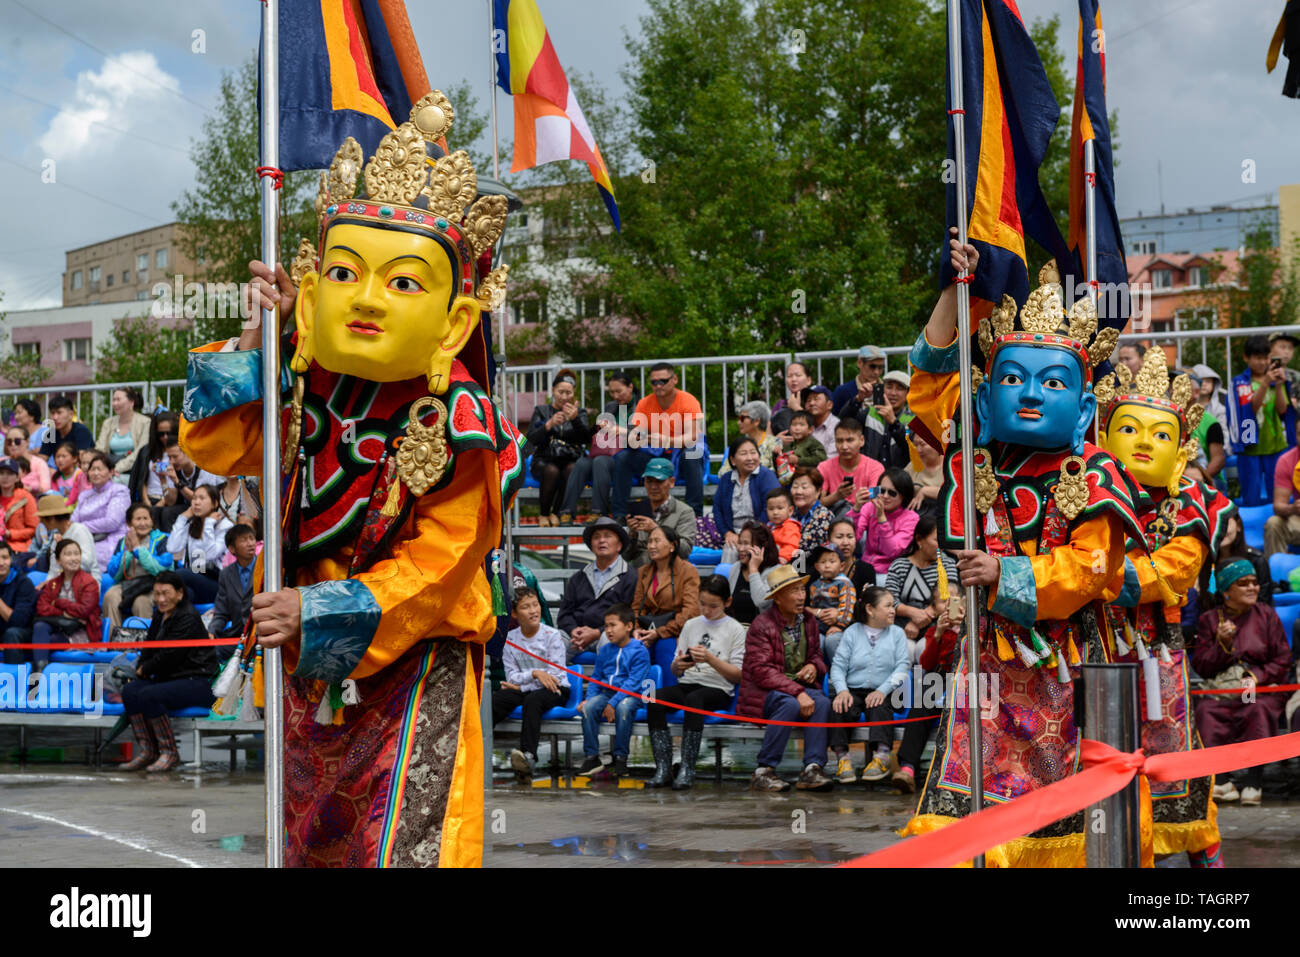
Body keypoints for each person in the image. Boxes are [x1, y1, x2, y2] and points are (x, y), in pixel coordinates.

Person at [182, 95, 524, 866]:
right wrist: (252, 341)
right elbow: (217, 445)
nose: (366, 299)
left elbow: (446, 562)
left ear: (455, 318)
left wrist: (320, 607)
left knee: (403, 850)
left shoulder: (456, 417)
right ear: (311, 283)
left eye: (403, 282)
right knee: (310, 850)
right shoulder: (302, 373)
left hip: (408, 663)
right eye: (344, 272)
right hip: (308, 669)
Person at [902, 234, 1146, 867]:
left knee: (1063, 826)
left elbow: (1093, 568)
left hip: (1065, 664)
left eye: (1053, 382)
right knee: (968, 818)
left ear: (1085, 404)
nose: (1031, 393)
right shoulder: (975, 452)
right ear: (985, 396)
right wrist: (955, 292)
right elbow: (927, 388)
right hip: (985, 663)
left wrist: (1007, 570)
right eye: (1011, 378)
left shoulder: (1096, 471)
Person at [1098, 350, 1236, 865]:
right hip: (1088, 649)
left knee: (1170, 757)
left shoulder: (1191, 501)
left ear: (1180, 450)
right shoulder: (1089, 491)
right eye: (1129, 429)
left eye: (1160, 435)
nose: (1142, 444)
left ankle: (1194, 854)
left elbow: (1172, 573)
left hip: (1155, 650)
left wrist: (1092, 577)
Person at [1192, 561, 1292, 807]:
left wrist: (1257, 676)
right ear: (1227, 590)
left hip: (1257, 684)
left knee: (1255, 708)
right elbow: (1203, 665)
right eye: (1243, 584)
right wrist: (1222, 644)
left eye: (1255, 583)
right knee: (1207, 711)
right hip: (1222, 688)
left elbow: (1282, 659)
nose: (1252, 588)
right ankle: (1222, 779)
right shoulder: (1209, 620)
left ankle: (1253, 781)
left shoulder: (1266, 615)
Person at [646, 574, 746, 789]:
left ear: (727, 603)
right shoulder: (691, 625)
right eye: (702, 604)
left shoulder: (736, 629)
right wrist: (679, 665)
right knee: (654, 699)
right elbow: (675, 668)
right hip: (689, 682)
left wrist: (710, 658)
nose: (706, 611)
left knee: (694, 699)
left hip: (718, 687)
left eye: (713, 606)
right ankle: (663, 767)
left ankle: (687, 767)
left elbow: (737, 675)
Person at [739, 564, 833, 792]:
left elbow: (817, 656)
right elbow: (761, 672)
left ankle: (812, 768)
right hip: (764, 693)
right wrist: (798, 692)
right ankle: (764, 771)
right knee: (788, 704)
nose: (801, 597)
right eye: (794, 592)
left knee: (821, 702)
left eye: (802, 590)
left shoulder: (808, 621)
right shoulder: (761, 626)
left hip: (797, 687)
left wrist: (813, 666)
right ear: (778, 598)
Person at [117, 571, 216, 772]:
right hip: (170, 677)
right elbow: (149, 646)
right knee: (130, 691)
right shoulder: (160, 614)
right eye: (157, 594)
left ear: (180, 593)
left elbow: (171, 655)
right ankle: (148, 750)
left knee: (149, 695)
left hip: (197, 680)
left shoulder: (187, 616)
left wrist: (145, 668)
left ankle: (169, 752)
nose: (161, 599)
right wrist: (140, 668)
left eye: (166, 593)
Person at [828, 587, 909, 785]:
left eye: (893, 606)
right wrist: (842, 691)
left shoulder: (897, 633)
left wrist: (883, 690)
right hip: (854, 689)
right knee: (839, 707)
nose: (893, 610)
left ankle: (881, 757)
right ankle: (843, 759)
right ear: (870, 609)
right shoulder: (851, 633)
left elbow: (902, 666)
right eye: (888, 606)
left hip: (886, 690)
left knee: (880, 707)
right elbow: (838, 667)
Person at [495, 587, 570, 780]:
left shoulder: (552, 636)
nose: (533, 611)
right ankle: (475, 749)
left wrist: (523, 686)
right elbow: (511, 676)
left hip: (557, 689)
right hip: (528, 688)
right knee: (499, 698)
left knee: (533, 700)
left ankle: (528, 756)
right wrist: (535, 673)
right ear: (514, 613)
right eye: (526, 607)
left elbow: (554, 676)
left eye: (535, 605)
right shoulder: (511, 639)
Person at [612, 362, 705, 517]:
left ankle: (695, 515)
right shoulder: (644, 403)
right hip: (656, 452)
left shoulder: (688, 400)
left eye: (663, 381)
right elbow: (637, 435)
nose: (658, 385)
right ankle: (619, 515)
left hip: (681, 452)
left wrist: (666, 440)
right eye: (654, 382)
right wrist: (623, 433)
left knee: (693, 453)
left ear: (674, 379)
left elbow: (693, 436)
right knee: (623, 457)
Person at [896, 595, 965, 793]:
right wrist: (939, 635)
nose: (949, 606)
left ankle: (957, 774)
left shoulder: (976, 627)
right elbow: (926, 663)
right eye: (943, 602)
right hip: (940, 676)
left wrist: (965, 629)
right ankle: (908, 767)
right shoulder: (935, 631)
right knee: (920, 705)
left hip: (967, 678)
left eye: (954, 600)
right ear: (935, 608)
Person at [578, 602, 650, 777]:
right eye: (606, 626)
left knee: (623, 707)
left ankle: (620, 757)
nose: (608, 631)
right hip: (608, 694)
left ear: (629, 626)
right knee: (588, 708)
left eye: (613, 625)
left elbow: (633, 683)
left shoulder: (640, 651)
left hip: (634, 695)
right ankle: (592, 756)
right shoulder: (604, 650)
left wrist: (612, 703)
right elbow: (595, 677)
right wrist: (590, 698)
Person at [1227, 334, 1295, 506]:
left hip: (1276, 446)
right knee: (1251, 498)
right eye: (1257, 358)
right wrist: (1265, 384)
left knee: (1278, 497)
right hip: (1250, 449)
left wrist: (1279, 385)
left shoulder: (1276, 379)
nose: (1263, 363)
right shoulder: (1239, 383)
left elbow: (1282, 411)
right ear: (1246, 358)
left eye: (1266, 358)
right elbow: (1251, 410)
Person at [556, 516, 637, 661]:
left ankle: (607, 683)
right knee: (552, 642)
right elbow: (564, 615)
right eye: (596, 537)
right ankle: (551, 683)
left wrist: (597, 632)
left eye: (608, 536)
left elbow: (630, 616)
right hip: (577, 635)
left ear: (619, 545)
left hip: (608, 633)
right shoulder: (579, 577)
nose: (601, 541)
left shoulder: (630, 576)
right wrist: (574, 630)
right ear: (591, 545)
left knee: (609, 639)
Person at [560, 371, 637, 521]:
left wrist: (615, 430)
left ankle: (598, 511)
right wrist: (578, 420)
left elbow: (639, 437)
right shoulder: (611, 406)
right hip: (605, 451)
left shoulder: (639, 406)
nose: (615, 396)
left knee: (600, 461)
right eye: (612, 392)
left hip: (626, 455)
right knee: (582, 463)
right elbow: (590, 436)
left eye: (619, 391)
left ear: (630, 387)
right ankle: (567, 511)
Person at [525, 368, 591, 526]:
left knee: (571, 469)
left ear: (573, 393)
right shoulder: (541, 411)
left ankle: (557, 513)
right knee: (552, 470)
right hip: (544, 459)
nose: (564, 396)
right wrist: (549, 425)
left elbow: (586, 439)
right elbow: (531, 439)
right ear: (553, 391)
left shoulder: (579, 413)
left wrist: (575, 420)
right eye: (560, 392)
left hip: (570, 458)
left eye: (568, 393)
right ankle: (544, 514)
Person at [885, 514, 957, 641]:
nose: (941, 545)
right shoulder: (899, 565)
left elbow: (951, 599)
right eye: (936, 540)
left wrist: (924, 616)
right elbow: (889, 600)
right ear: (919, 539)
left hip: (938, 626)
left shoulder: (947, 564)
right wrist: (912, 613)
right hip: (903, 626)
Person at [30, 538, 100, 669]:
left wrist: (58, 602)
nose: (74, 558)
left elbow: (83, 611)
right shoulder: (53, 583)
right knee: (40, 626)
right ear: (58, 560)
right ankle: (39, 674)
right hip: (57, 627)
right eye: (68, 554)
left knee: (40, 643)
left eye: (76, 553)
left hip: (80, 632)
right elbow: (41, 608)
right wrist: (63, 613)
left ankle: (37, 676)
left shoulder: (90, 582)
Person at [630, 524, 700, 651]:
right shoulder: (643, 571)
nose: (651, 546)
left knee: (665, 645)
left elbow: (691, 612)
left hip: (676, 631)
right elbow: (637, 607)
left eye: (657, 541)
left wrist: (660, 632)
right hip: (648, 630)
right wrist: (636, 629)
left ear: (672, 546)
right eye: (649, 541)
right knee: (634, 646)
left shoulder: (688, 571)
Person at [104, 503, 172, 628]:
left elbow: (161, 569)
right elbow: (114, 573)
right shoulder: (123, 542)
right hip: (128, 584)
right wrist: (128, 553)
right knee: (110, 596)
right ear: (130, 524)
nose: (142, 523)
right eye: (138, 519)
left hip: (153, 585)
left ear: (152, 521)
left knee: (141, 602)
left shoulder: (162, 540)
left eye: (146, 518)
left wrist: (137, 549)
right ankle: (113, 642)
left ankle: (142, 644)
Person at [165, 484, 232, 605]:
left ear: (215, 503)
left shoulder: (225, 526)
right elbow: (172, 548)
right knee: (183, 596)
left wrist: (209, 524)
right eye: (194, 498)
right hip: (197, 577)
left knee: (180, 574)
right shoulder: (193, 525)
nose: (196, 502)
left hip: (218, 583)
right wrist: (182, 517)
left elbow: (211, 554)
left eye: (202, 498)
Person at [624, 457, 696, 567]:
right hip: (641, 574)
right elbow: (626, 556)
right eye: (649, 481)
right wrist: (632, 536)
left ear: (671, 482)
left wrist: (656, 530)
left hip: (671, 574)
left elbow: (684, 550)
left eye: (659, 481)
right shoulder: (639, 509)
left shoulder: (684, 512)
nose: (653, 487)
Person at [712, 435, 781, 548]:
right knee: (730, 549)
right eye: (744, 454)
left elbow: (769, 509)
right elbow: (717, 509)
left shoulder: (766, 476)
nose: (750, 458)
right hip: (733, 536)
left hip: (760, 534)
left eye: (753, 453)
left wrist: (749, 535)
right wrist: (727, 533)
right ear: (733, 460)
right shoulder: (726, 479)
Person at [72, 452, 130, 571]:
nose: (96, 473)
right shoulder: (85, 495)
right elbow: (73, 520)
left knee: (87, 557)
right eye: (92, 469)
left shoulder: (119, 491)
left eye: (100, 469)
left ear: (111, 472)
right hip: (84, 538)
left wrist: (81, 527)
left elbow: (112, 522)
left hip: (111, 538)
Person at [856, 468, 919, 577]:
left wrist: (881, 518)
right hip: (865, 566)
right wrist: (856, 509)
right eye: (882, 490)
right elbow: (854, 536)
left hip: (891, 571)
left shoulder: (911, 518)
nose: (885, 496)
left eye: (892, 493)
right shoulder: (870, 507)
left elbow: (892, 551)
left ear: (903, 495)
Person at [817, 418, 884, 520]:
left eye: (850, 440)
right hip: (834, 518)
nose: (844, 446)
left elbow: (874, 502)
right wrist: (837, 496)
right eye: (839, 441)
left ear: (861, 441)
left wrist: (857, 506)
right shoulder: (824, 467)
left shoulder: (875, 468)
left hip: (864, 519)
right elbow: (817, 503)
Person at [845, 369, 913, 469]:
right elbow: (844, 422)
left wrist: (894, 423)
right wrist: (858, 399)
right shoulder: (869, 413)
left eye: (899, 389)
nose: (893, 393)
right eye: (889, 387)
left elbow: (912, 448)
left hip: (899, 479)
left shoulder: (912, 419)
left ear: (908, 393)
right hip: (869, 475)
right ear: (882, 389)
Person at [157, 438, 222, 533]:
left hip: (208, 509)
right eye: (169, 457)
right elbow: (170, 502)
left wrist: (177, 482)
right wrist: (162, 479)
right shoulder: (176, 470)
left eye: (175, 457)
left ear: (187, 453)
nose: (171, 462)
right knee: (157, 511)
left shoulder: (204, 468)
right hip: (187, 507)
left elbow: (203, 501)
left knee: (168, 513)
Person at [208, 524, 257, 641]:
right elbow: (221, 612)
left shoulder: (265, 568)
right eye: (244, 540)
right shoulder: (226, 574)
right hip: (237, 635)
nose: (250, 543)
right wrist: (212, 631)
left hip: (260, 635)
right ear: (232, 549)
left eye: (252, 538)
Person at [726, 521, 779, 624]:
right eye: (740, 543)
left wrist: (753, 568)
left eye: (746, 543)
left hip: (762, 634)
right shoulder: (736, 568)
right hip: (736, 633)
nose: (740, 548)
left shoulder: (775, 571)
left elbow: (760, 602)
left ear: (761, 547)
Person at [807, 544, 855, 655]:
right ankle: (819, 669)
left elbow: (847, 606)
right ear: (817, 567)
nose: (827, 565)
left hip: (839, 626)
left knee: (832, 641)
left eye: (832, 562)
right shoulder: (814, 585)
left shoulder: (844, 583)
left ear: (842, 566)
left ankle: (838, 669)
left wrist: (839, 625)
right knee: (815, 641)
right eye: (823, 562)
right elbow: (813, 607)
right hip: (818, 627)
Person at [37, 493, 99, 579]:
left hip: (85, 584)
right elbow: (53, 571)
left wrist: (63, 550)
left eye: (42, 519)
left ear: (52, 518)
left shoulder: (79, 531)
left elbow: (87, 564)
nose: (41, 522)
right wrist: (48, 584)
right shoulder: (56, 538)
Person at [128, 411, 180, 509]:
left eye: (168, 433)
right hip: (148, 499)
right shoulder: (147, 451)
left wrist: (160, 504)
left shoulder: (181, 452)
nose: (165, 437)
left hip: (171, 501)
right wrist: (146, 502)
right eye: (161, 434)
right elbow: (141, 479)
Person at [96, 387, 152, 476]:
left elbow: (141, 451)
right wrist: (105, 469)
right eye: (113, 400)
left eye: (118, 400)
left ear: (131, 402)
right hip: (108, 470)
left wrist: (116, 469)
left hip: (134, 471)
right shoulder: (108, 423)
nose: (114, 403)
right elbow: (99, 449)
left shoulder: (145, 422)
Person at [0, 541, 36, 665]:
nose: (0, 563)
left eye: (4, 558)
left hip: (23, 632)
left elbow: (18, 621)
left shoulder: (24, 583)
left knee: (11, 634)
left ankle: (14, 681)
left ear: (11, 559)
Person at [1264, 442, 1300, 557]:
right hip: (1297, 519)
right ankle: (1276, 573)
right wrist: (1294, 508)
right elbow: (1278, 506)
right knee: (1274, 523)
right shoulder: (1287, 460)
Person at [831, 345, 887, 418]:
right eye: (872, 366)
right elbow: (833, 421)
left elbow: (902, 422)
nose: (876, 372)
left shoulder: (889, 391)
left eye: (880, 367)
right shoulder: (842, 391)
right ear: (859, 363)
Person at [789, 467, 834, 553]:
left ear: (818, 491)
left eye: (804, 487)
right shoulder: (788, 513)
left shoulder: (825, 517)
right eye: (795, 486)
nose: (798, 491)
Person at [0, 458, 38, 555]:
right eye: (2, 473)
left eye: (10, 474)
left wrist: (10, 533)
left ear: (17, 478)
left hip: (17, 548)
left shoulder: (26, 498)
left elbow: (33, 529)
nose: (5, 477)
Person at [776, 410, 827, 481]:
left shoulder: (813, 443)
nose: (797, 428)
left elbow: (821, 458)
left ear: (810, 429)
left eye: (801, 425)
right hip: (790, 478)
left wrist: (799, 460)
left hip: (809, 479)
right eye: (794, 425)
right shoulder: (789, 444)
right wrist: (777, 452)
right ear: (789, 429)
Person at [732, 400, 781, 472]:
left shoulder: (774, 443)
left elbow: (777, 471)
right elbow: (723, 472)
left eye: (742, 418)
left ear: (756, 421)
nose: (738, 422)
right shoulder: (740, 444)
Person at [905, 426, 944, 518]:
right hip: (918, 518)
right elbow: (898, 483)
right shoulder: (914, 465)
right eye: (915, 445)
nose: (918, 450)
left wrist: (926, 491)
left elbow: (957, 494)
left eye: (922, 444)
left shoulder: (950, 464)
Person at [770, 360, 812, 436]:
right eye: (789, 376)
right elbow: (767, 440)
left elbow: (818, 432)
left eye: (798, 375)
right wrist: (777, 440)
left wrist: (796, 408)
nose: (793, 379)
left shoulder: (814, 403)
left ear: (808, 380)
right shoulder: (780, 405)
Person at [5, 426, 51, 496]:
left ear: (27, 441)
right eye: (9, 441)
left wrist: (33, 489)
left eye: (17, 441)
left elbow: (46, 489)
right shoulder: (2, 461)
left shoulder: (39, 463)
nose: (13, 444)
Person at [765, 487, 801, 563]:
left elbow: (791, 545)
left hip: (781, 562)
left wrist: (782, 558)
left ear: (790, 510)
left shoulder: (791, 526)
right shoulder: (768, 526)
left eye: (780, 508)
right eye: (771, 509)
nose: (775, 512)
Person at [804, 385, 839, 458]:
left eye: (816, 399)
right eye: (808, 400)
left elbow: (830, 461)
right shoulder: (804, 426)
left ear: (829, 405)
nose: (811, 403)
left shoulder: (837, 427)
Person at [51, 442, 89, 507]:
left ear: (74, 458)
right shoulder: (55, 476)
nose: (60, 460)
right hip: (59, 507)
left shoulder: (80, 475)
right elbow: (55, 495)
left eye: (64, 456)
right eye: (57, 456)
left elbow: (74, 497)